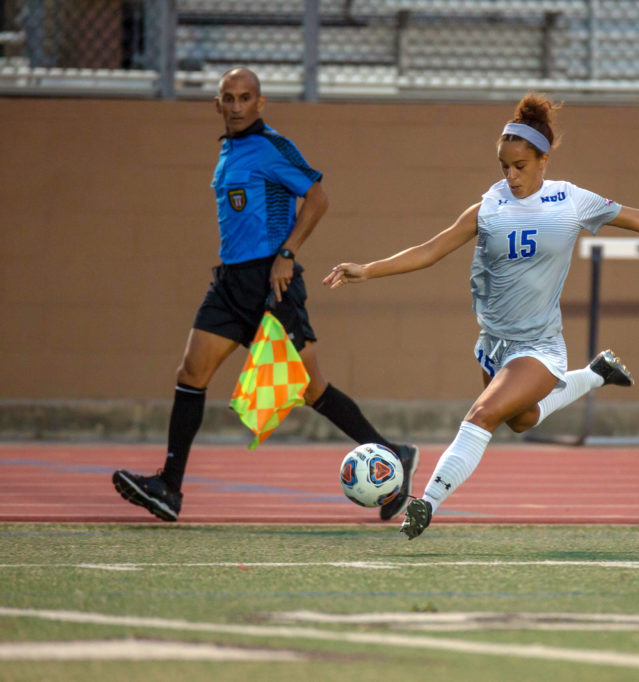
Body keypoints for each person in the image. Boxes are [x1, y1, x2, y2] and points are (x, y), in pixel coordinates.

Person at [323, 92, 639, 540]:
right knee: (522, 420)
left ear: (543, 159)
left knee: (481, 415)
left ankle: (425, 504)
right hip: (493, 343)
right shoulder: (488, 207)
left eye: (520, 166)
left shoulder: (572, 201)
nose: (511, 176)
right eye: (504, 167)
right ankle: (594, 374)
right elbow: (431, 250)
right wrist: (367, 270)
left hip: (540, 346)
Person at [112, 67, 418, 523]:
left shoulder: (272, 147)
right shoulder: (229, 151)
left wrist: (288, 254)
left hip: (272, 283)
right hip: (230, 284)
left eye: (245, 98)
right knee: (191, 372)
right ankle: (169, 488)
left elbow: (317, 197)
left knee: (312, 389)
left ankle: (393, 455)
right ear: (217, 104)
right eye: (228, 98)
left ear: (260, 102)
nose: (236, 106)